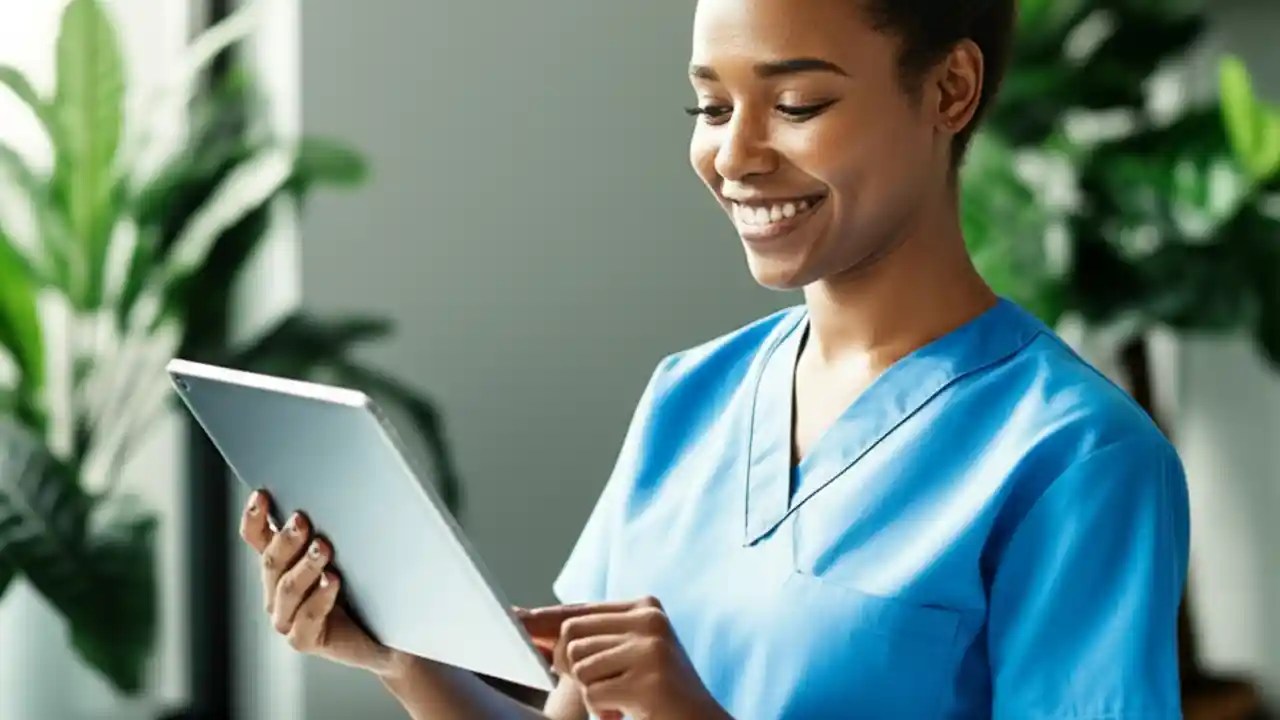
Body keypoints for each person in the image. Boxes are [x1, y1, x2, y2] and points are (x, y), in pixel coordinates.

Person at [237, 0, 1190, 717]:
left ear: (950, 89)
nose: (735, 155)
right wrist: (403, 655)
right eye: (708, 104)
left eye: (797, 102)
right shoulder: (690, 395)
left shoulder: (1076, 458)